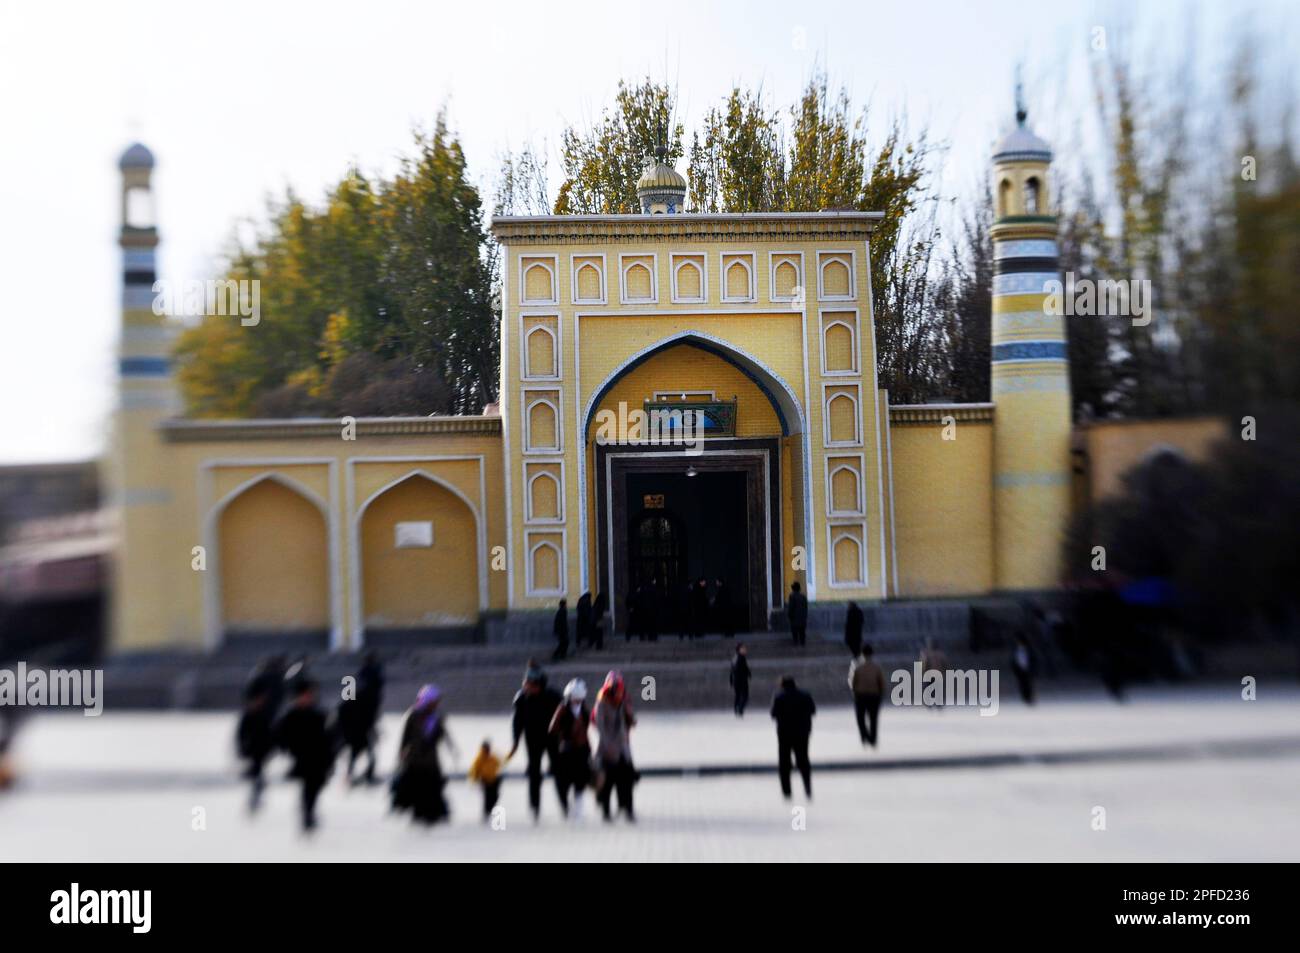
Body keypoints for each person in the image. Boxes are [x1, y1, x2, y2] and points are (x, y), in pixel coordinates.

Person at [273, 673, 337, 832]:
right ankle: (308, 815)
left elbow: (331, 736)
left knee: (315, 787)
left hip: (320, 758)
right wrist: (287, 749)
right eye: (306, 694)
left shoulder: (320, 715)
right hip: (303, 759)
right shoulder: (291, 716)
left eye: (311, 694)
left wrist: (331, 756)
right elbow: (279, 736)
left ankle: (309, 812)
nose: (308, 697)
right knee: (309, 787)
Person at [391, 684, 456, 825]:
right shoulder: (413, 715)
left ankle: (433, 813)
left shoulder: (436, 717)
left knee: (433, 787)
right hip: (415, 760)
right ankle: (418, 813)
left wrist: (452, 749)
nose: (436, 704)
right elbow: (405, 737)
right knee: (417, 787)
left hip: (431, 761)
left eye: (437, 701)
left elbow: (444, 735)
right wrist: (401, 754)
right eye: (434, 701)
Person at [509, 662, 564, 821]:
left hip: (552, 739)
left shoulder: (553, 697)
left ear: (540, 684)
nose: (528, 687)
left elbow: (563, 718)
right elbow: (517, 722)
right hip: (532, 740)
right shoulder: (522, 699)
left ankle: (564, 804)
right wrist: (515, 742)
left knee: (559, 772)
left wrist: (564, 736)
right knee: (534, 774)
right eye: (526, 684)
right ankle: (535, 808)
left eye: (532, 685)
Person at [236, 656, 284, 811]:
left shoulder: (262, 680)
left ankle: (256, 781)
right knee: (259, 760)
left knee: (258, 760)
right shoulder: (277, 681)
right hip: (265, 728)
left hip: (262, 730)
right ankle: (257, 781)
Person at [592, 670, 637, 822]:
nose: (620, 693)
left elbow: (631, 722)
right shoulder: (602, 703)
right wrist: (608, 745)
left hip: (623, 748)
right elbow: (600, 726)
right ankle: (606, 812)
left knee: (627, 781)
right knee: (608, 783)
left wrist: (629, 713)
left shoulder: (624, 701)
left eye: (621, 690)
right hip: (608, 749)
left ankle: (628, 810)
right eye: (617, 690)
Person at [337, 651, 384, 786]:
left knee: (359, 752)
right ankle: (363, 775)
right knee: (365, 752)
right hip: (360, 729)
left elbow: (344, 708)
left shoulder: (361, 688)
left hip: (358, 729)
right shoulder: (368, 694)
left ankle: (354, 774)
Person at [548, 678, 593, 819]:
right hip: (566, 751)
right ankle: (566, 808)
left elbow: (586, 729)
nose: (577, 701)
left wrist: (588, 748)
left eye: (579, 699)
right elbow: (553, 729)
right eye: (574, 698)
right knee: (563, 782)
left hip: (581, 750)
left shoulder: (584, 710)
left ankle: (578, 809)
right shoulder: (562, 709)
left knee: (581, 780)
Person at [770, 675, 815, 799]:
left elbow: (773, 714)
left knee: (784, 763)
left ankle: (787, 791)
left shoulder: (778, 697)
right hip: (802, 732)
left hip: (784, 733)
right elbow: (812, 710)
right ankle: (807, 788)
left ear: (782, 685)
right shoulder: (805, 695)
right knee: (803, 760)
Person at [848, 643, 887, 746]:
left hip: (861, 696)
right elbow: (881, 682)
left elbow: (852, 682)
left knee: (860, 718)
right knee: (873, 719)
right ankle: (872, 738)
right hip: (874, 695)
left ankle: (864, 735)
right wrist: (881, 693)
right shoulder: (876, 667)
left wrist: (854, 692)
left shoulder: (857, 665)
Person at [467, 739, 503, 822]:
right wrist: (474, 779)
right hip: (485, 781)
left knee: (495, 796)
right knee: (487, 797)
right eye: (485, 748)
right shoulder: (479, 759)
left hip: (494, 781)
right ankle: (486, 812)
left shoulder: (493, 758)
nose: (487, 749)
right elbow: (474, 770)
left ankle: (490, 810)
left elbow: (499, 765)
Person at [1011, 634, 1037, 704]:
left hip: (1028, 669)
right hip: (1019, 669)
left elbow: (1033, 658)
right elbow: (1014, 660)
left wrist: (1033, 668)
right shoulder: (1015, 649)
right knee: (1022, 684)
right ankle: (1025, 697)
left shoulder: (1028, 648)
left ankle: (1029, 697)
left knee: (1028, 684)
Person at [729, 642, 752, 716]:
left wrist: (731, 680)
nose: (745, 649)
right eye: (743, 648)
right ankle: (740, 709)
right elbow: (740, 669)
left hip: (736, 680)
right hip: (741, 680)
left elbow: (732, 670)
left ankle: (736, 709)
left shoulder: (735, 657)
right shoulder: (740, 658)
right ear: (739, 649)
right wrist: (748, 674)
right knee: (745, 696)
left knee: (738, 695)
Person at [786, 582, 808, 646]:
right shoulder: (803, 597)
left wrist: (789, 615)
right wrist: (805, 616)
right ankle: (802, 643)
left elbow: (791, 607)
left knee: (795, 631)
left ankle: (796, 643)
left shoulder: (792, 596)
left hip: (794, 617)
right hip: (802, 618)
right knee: (802, 631)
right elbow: (806, 607)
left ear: (793, 589)